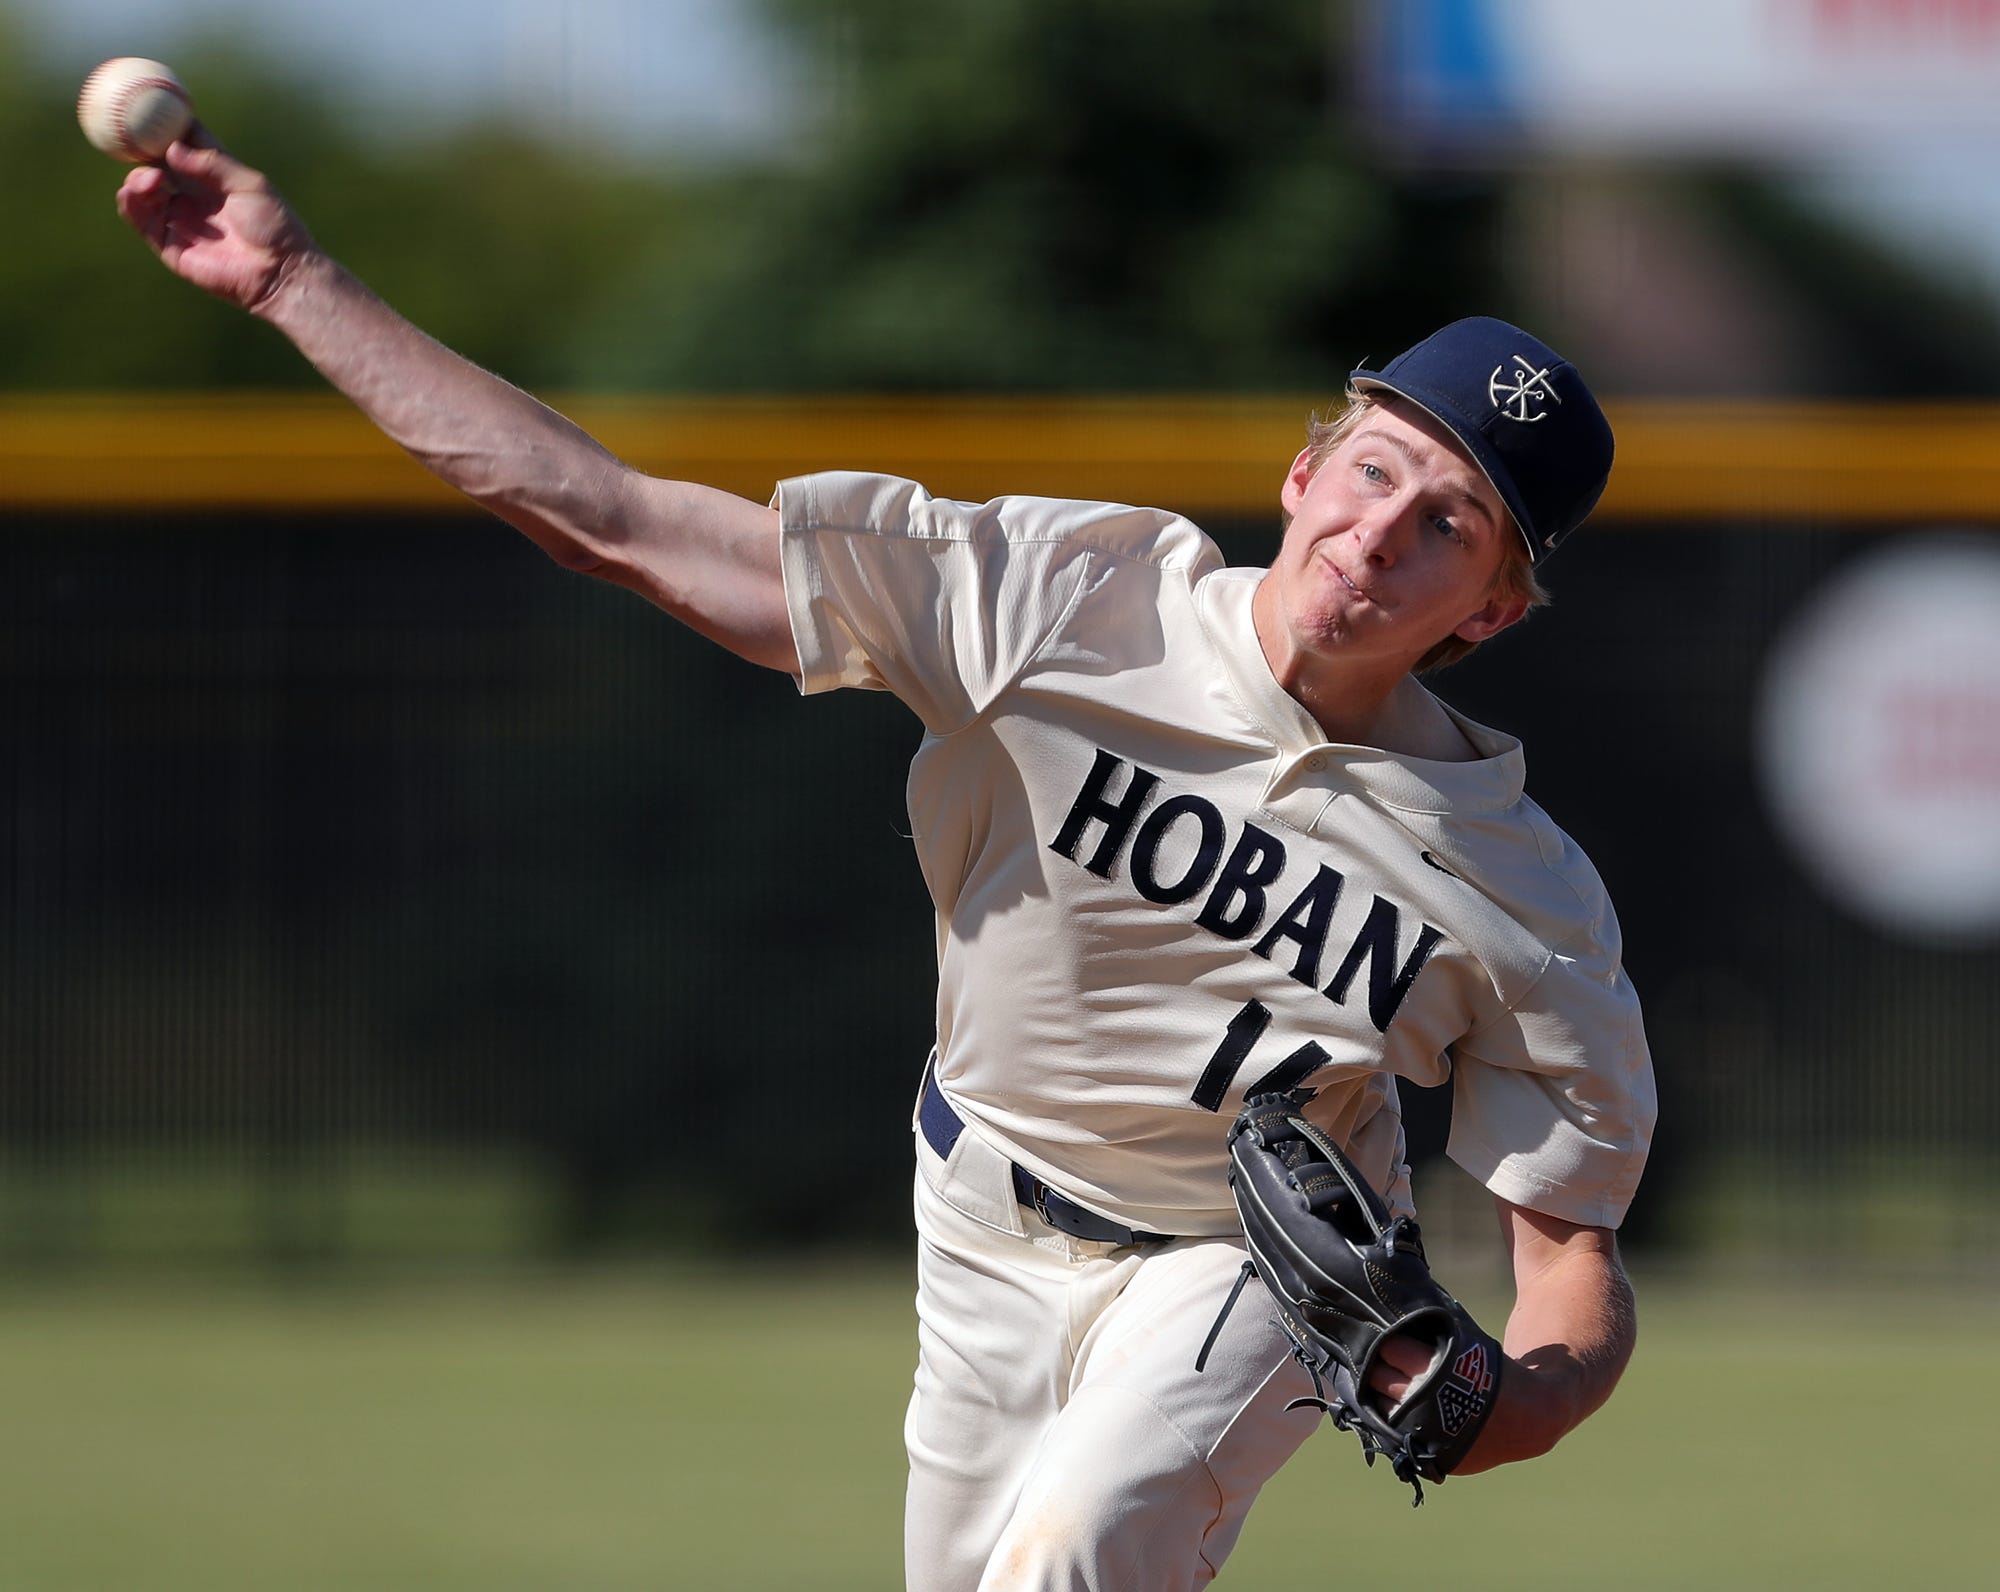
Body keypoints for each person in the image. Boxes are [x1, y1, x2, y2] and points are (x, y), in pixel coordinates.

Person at [116, 133, 1655, 1591]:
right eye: (1378, 470)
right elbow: (620, 522)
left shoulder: (1520, 887)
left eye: (1452, 521)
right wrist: (293, 280)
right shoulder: (1065, 602)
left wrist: (1526, 1401)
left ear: (1490, 612)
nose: (1387, 530)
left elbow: (1570, 1247)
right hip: (980, 1212)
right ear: (1304, 471)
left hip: (1247, 1273)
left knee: (1074, 1547)